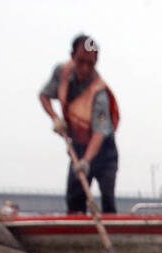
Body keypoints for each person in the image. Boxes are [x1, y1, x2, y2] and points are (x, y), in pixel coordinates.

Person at [39, 34, 120, 214]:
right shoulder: (62, 73)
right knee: (75, 199)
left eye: (90, 64)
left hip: (104, 152)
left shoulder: (100, 94)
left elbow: (99, 133)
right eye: (80, 61)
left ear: (96, 62)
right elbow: (44, 95)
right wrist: (55, 118)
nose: (84, 68)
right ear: (72, 56)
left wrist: (86, 161)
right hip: (78, 146)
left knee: (107, 200)